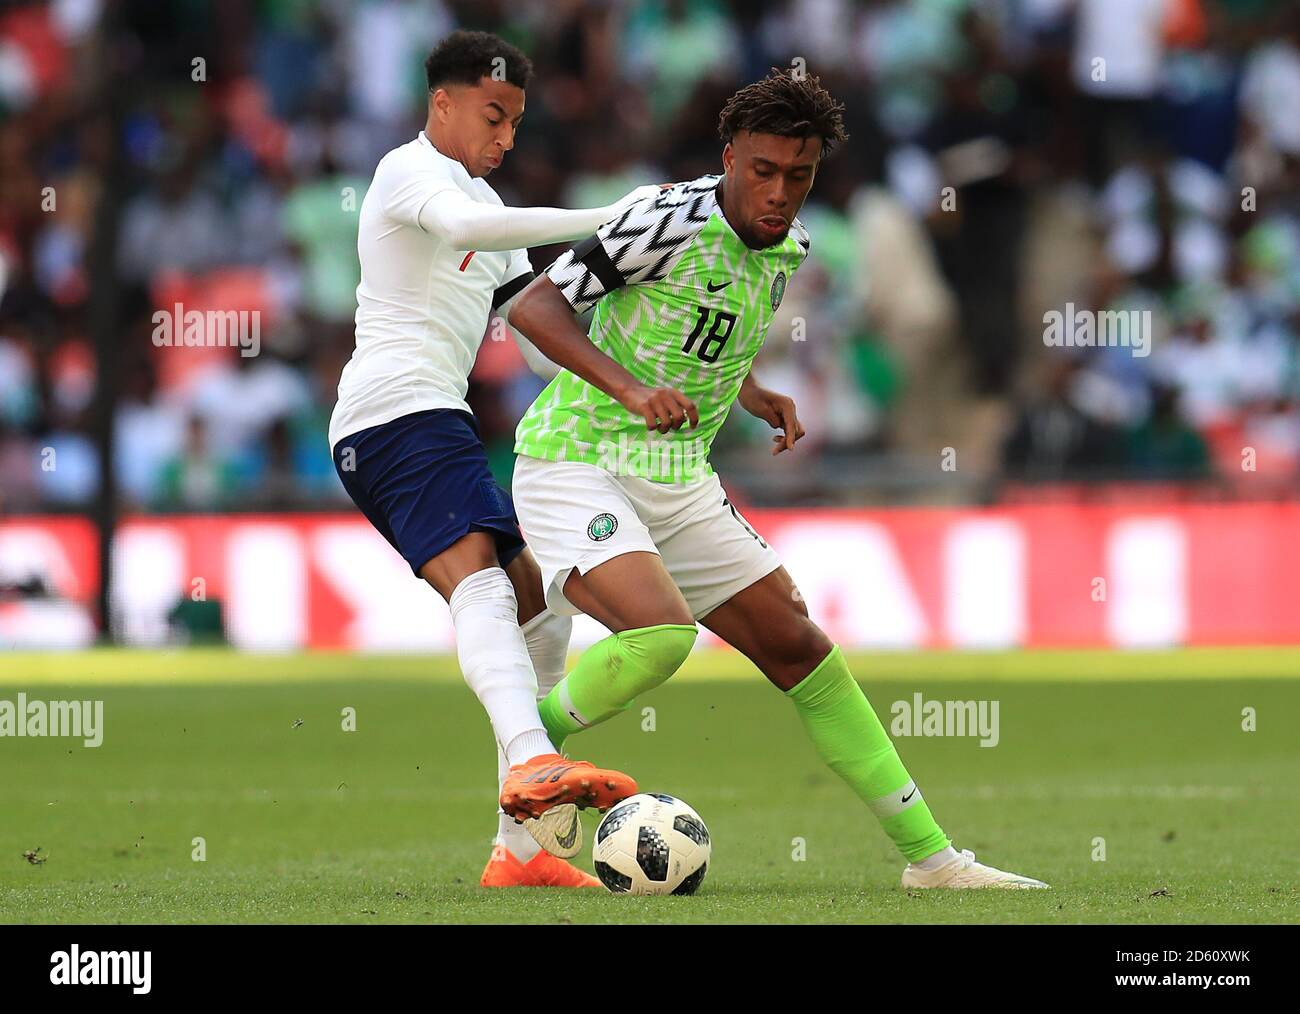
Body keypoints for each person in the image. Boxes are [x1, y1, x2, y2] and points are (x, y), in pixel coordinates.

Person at [507, 69, 1048, 890]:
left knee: (802, 647)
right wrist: (631, 390)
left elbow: (704, 328)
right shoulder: (662, 220)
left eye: (800, 175)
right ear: (730, 157)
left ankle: (934, 862)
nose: (780, 192)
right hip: (577, 458)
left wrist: (749, 390)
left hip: (677, 473)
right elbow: (536, 310)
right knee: (661, 636)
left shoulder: (788, 246)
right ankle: (529, 744)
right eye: (763, 170)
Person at [329, 30, 657, 888]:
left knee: (538, 603)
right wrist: (605, 217)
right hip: (391, 414)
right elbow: (465, 227)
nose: (507, 136)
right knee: (482, 582)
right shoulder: (409, 173)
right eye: (493, 115)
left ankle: (521, 849)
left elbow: (540, 343)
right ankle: (531, 756)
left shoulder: (493, 213)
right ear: (442, 103)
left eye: (515, 121)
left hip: (438, 420)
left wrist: (633, 383)